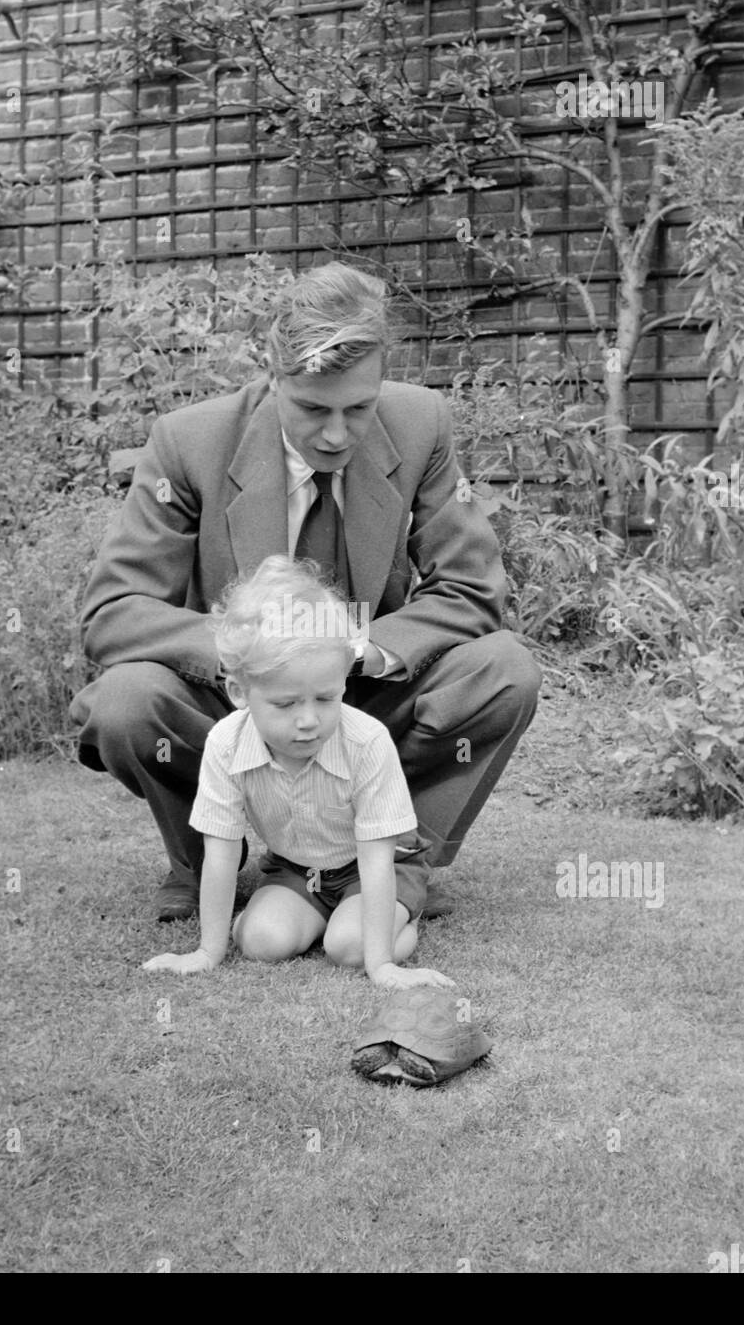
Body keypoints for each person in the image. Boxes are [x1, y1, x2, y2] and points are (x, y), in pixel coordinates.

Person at [70, 258, 541, 921]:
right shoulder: (187, 442)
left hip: (367, 697)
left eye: (359, 409)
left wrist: (368, 651)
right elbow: (113, 612)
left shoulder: (422, 424)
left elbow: (473, 588)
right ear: (273, 375)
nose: (337, 433)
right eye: (313, 408)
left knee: (506, 669)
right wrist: (253, 649)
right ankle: (207, 857)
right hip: (243, 702)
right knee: (125, 702)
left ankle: (399, 860)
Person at [143, 556, 453, 987]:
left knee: (350, 948)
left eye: (325, 699)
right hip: (296, 869)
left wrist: (381, 965)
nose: (308, 720)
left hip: (378, 867)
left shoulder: (366, 741)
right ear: (240, 692)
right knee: (261, 942)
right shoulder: (225, 744)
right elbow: (221, 851)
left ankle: (397, 917)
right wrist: (207, 952)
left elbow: (377, 856)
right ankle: (322, 914)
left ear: (344, 679)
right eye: (286, 704)